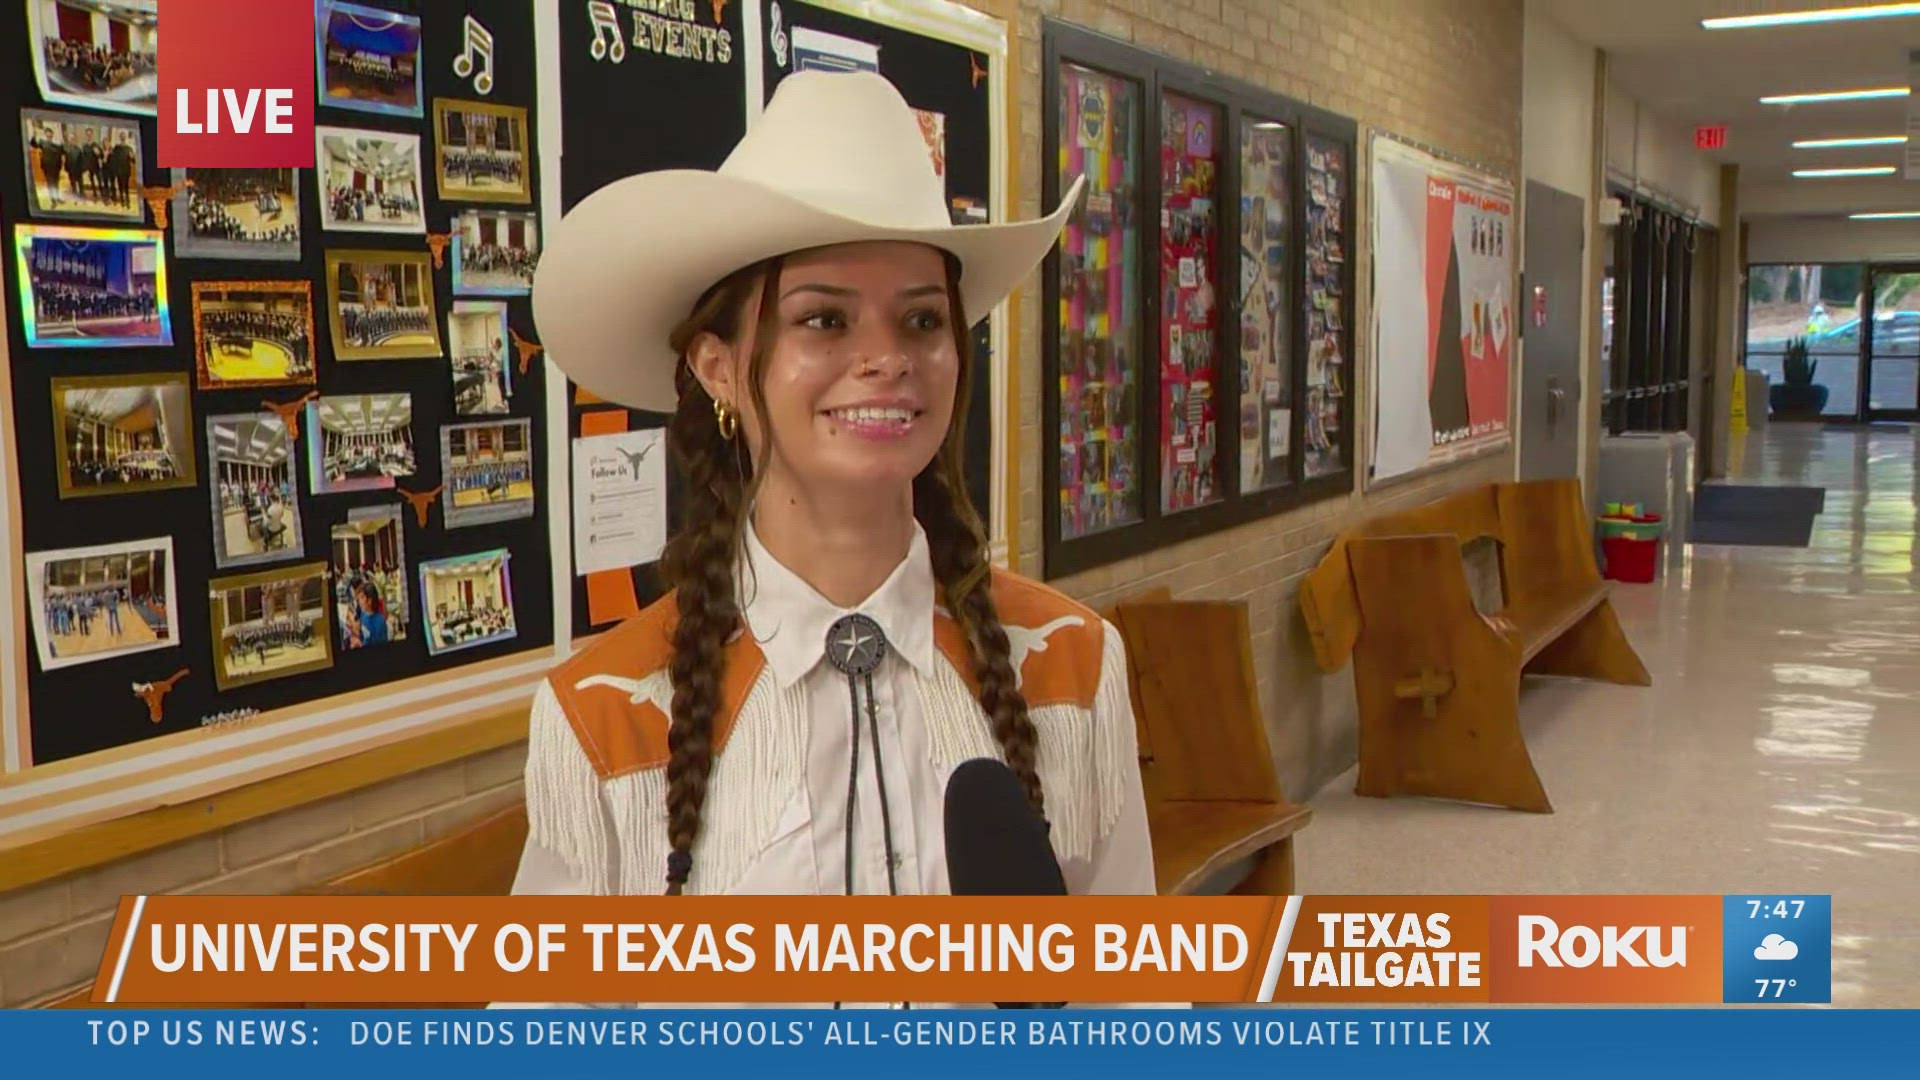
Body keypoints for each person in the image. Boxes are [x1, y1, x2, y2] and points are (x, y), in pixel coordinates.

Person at [507, 72, 1150, 991]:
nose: (888, 357)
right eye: (825, 318)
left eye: (923, 318)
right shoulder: (605, 713)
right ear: (720, 367)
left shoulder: (1072, 664)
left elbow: (1131, 989)